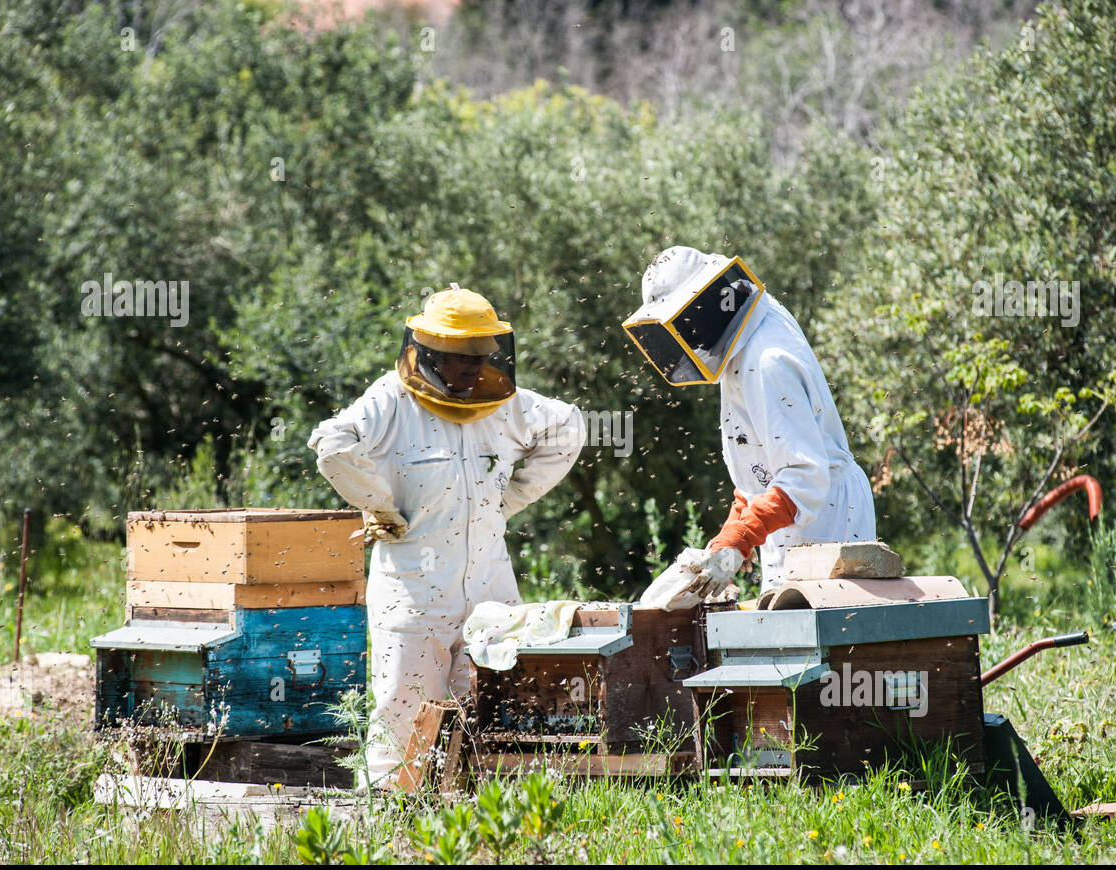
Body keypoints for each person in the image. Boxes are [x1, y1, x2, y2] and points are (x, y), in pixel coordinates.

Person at [308, 286, 584, 789]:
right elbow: (332, 446)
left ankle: (486, 825)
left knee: (495, 718)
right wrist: (381, 508)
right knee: (402, 718)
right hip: (413, 591)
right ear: (428, 353)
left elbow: (569, 428)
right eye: (459, 359)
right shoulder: (390, 400)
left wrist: (510, 501)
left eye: (480, 358)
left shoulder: (506, 404)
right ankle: (392, 826)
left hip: (490, 588)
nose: (471, 371)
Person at [623, 246, 875, 598]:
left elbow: (804, 478)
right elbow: (760, 467)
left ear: (705, 305)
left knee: (814, 644)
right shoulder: (745, 337)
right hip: (795, 517)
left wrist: (742, 539)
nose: (687, 337)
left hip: (825, 521)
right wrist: (730, 537)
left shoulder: (767, 361)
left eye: (683, 323)